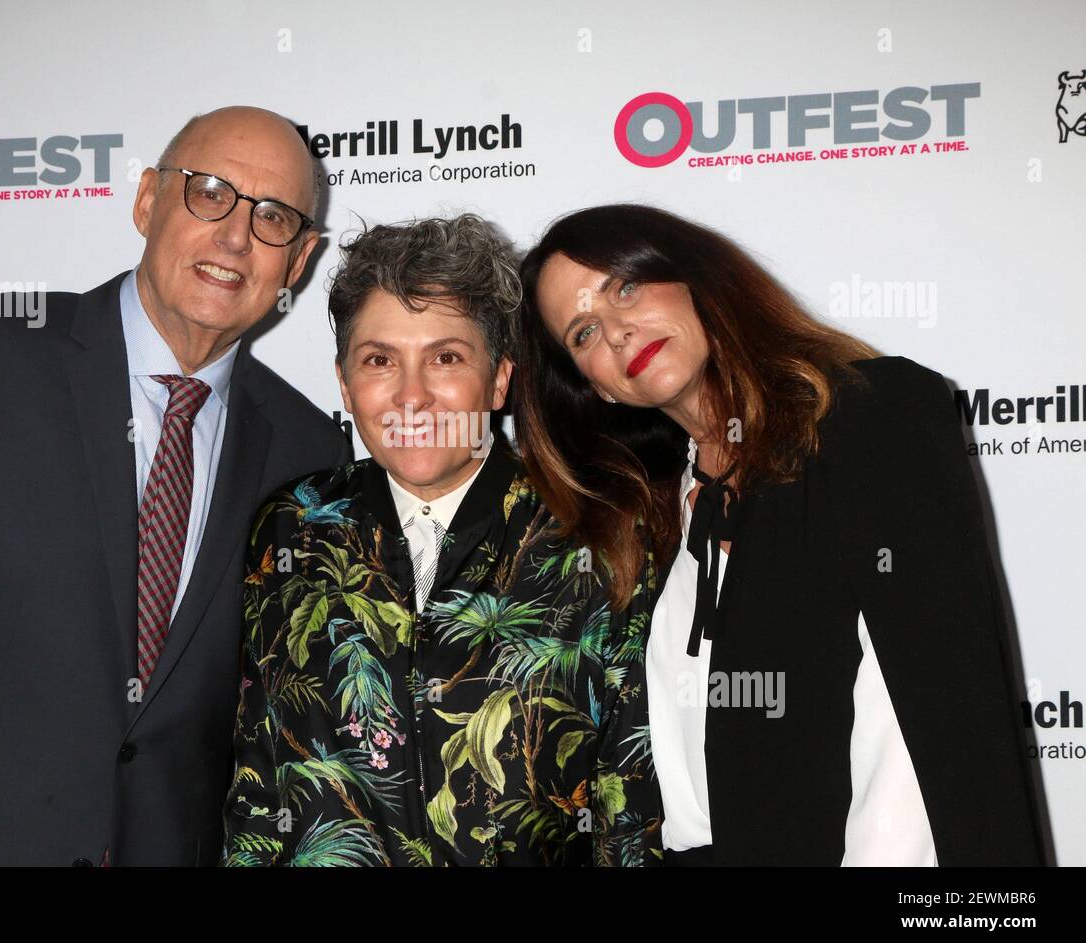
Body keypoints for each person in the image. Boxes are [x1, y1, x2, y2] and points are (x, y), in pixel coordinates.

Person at [0, 106, 350, 865]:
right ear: (147, 199)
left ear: (302, 256)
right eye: (209, 192)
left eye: (274, 217)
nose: (235, 236)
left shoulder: (307, 449)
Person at [509, 203, 1045, 866]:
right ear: (598, 390)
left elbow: (931, 714)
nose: (616, 333)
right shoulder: (662, 514)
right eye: (584, 332)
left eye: (625, 287)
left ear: (697, 279)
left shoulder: (870, 415)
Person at [221, 214, 661, 866]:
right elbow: (257, 783)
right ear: (345, 383)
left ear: (499, 379)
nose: (412, 395)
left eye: (446, 357)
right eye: (379, 361)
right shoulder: (292, 527)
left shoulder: (596, 537)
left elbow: (631, 812)